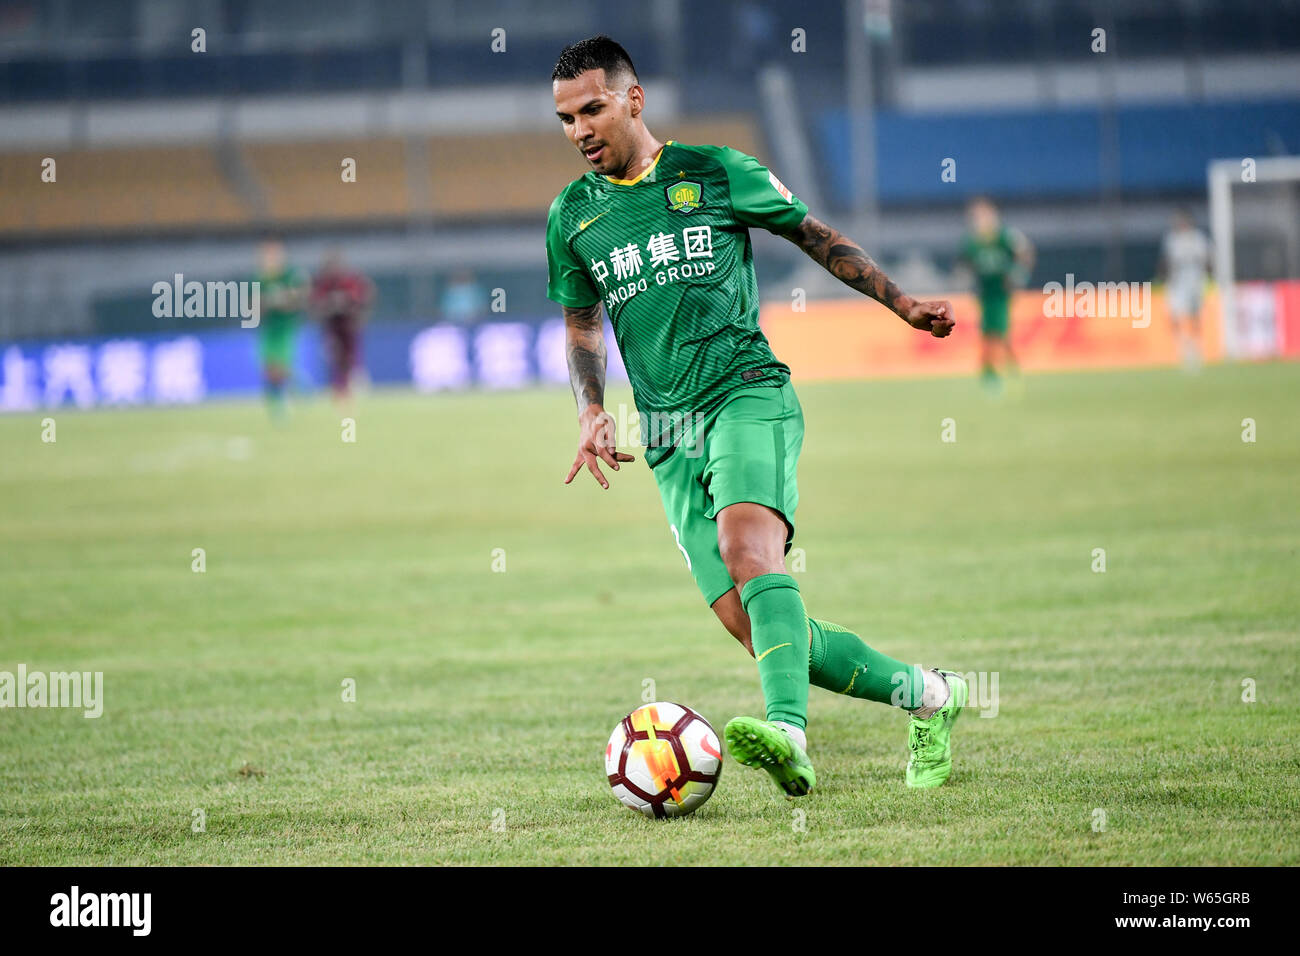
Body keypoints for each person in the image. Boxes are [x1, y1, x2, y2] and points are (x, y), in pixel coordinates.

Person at [547, 35, 966, 798]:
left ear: (633, 99)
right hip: (667, 433)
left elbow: (813, 235)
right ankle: (931, 696)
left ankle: (788, 734)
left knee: (749, 547)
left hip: (746, 392)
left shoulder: (713, 171)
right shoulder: (572, 216)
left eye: (592, 109)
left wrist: (901, 302)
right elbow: (581, 323)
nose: (579, 130)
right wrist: (590, 411)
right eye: (566, 118)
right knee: (763, 629)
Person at [957, 197, 1034, 394]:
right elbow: (967, 264)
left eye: (984, 215)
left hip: (1001, 293)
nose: (980, 220)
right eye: (976, 216)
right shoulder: (973, 242)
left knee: (996, 333)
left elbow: (1025, 254)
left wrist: (1018, 274)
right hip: (984, 293)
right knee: (991, 334)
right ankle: (1005, 370)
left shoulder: (1006, 237)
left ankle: (994, 374)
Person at [310, 249, 374, 407]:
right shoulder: (322, 283)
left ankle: (353, 381)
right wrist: (330, 305)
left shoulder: (351, 280)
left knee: (350, 356)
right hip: (332, 327)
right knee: (336, 358)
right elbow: (315, 305)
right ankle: (340, 389)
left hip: (348, 326)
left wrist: (351, 307)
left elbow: (364, 297)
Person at [254, 238, 307, 422]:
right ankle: (278, 399)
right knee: (268, 368)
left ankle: (289, 395)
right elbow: (254, 308)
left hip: (285, 328)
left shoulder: (289, 276)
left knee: (279, 367)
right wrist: (266, 303)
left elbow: (298, 299)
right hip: (268, 329)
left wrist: (281, 300)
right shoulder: (260, 279)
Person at [1158, 209, 1211, 372]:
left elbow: (1208, 260)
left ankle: (1195, 348)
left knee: (1195, 317)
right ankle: (1182, 347)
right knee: (1174, 315)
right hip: (1176, 284)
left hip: (1195, 283)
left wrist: (1209, 276)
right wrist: (1163, 277)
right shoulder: (1172, 240)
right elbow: (1166, 261)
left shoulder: (1198, 239)